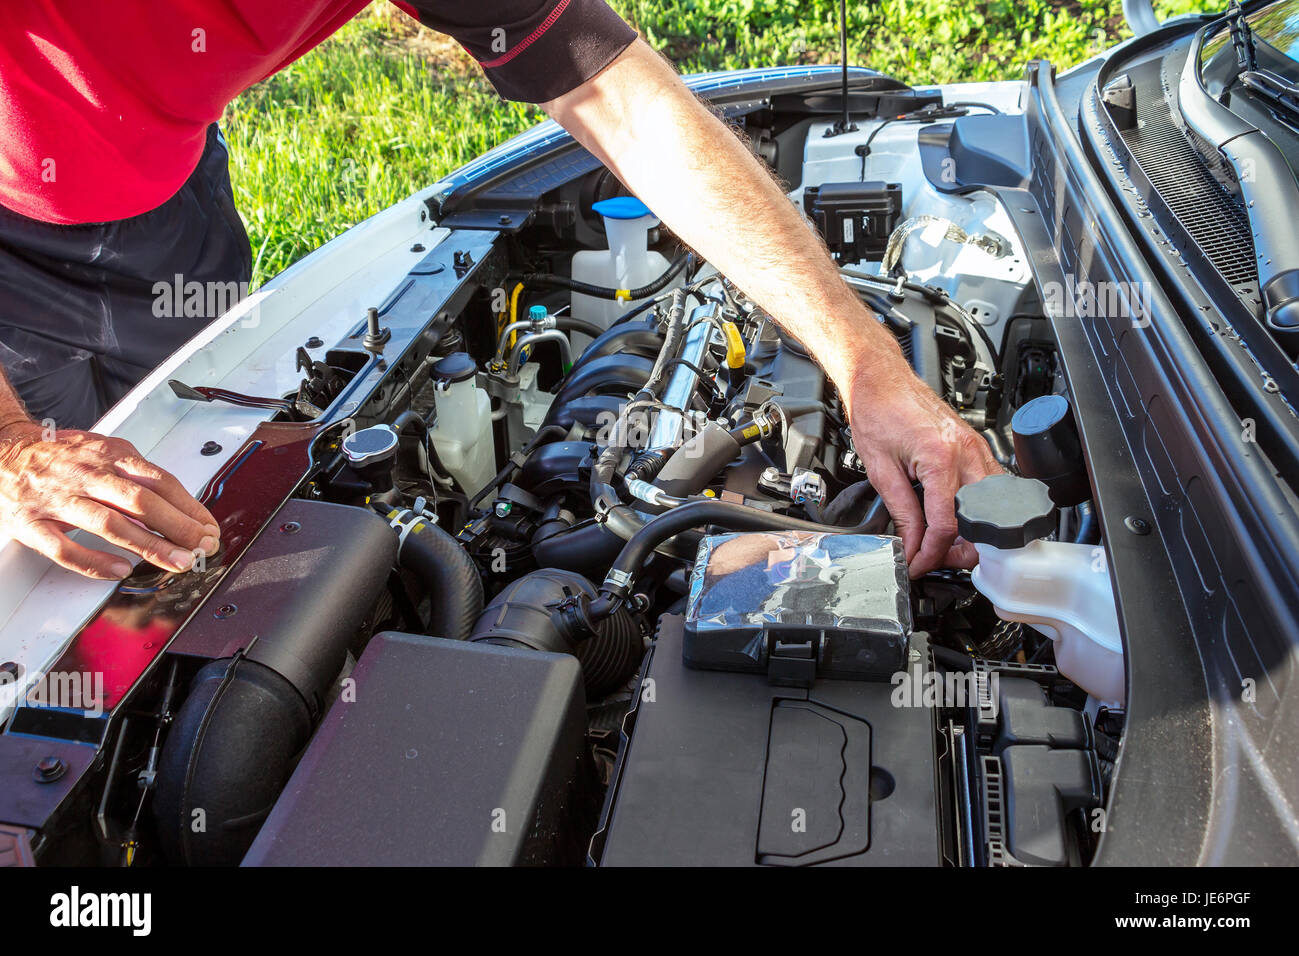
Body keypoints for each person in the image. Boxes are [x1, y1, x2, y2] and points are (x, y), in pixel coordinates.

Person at [0, 1, 1000, 582]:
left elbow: (609, 87)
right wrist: (14, 452)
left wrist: (865, 362)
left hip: (155, 166)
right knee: (68, 546)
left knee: (182, 471)